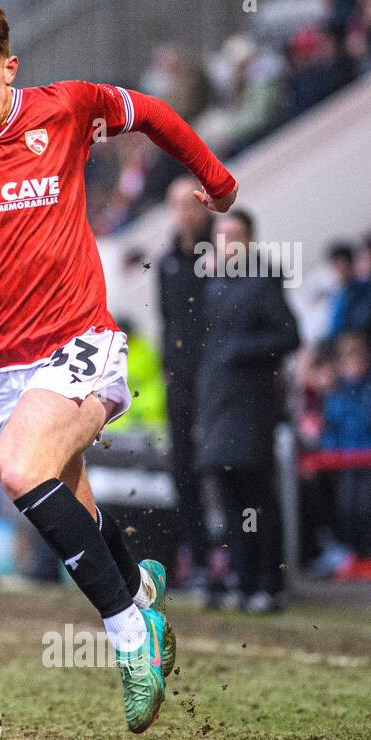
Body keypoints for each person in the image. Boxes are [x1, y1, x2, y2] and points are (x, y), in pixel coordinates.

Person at [0, 0, 238, 733]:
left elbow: (155, 113)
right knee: (69, 499)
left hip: (81, 342)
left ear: (9, 67)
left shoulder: (66, 110)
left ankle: (130, 637)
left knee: (18, 467)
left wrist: (218, 182)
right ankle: (139, 587)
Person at [194, 210, 300, 613]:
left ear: (250, 239)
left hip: (252, 406)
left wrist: (243, 352)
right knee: (230, 496)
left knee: (258, 495)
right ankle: (243, 577)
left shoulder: (263, 279)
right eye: (222, 235)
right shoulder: (213, 285)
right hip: (219, 406)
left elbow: (289, 334)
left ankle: (270, 583)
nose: (228, 243)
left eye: (235, 235)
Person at [157, 176, 214, 588]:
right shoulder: (166, 262)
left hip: (218, 382)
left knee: (224, 469)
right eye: (177, 205)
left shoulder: (221, 258)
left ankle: (237, 559)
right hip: (180, 381)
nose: (185, 213)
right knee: (183, 471)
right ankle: (198, 559)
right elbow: (167, 321)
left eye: (191, 204)